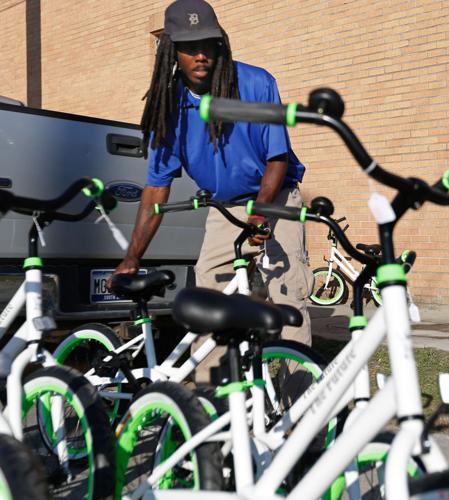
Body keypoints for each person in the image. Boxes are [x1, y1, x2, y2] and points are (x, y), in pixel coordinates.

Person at [110, 0, 313, 390]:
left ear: (220, 43)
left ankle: (299, 408)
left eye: (208, 43)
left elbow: (277, 159)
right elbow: (156, 188)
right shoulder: (169, 107)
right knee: (208, 298)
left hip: (275, 200)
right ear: (171, 50)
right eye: (189, 46)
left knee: (288, 294)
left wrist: (260, 216)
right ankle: (213, 403)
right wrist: (131, 257)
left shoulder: (254, 84)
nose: (200, 54)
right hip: (224, 208)